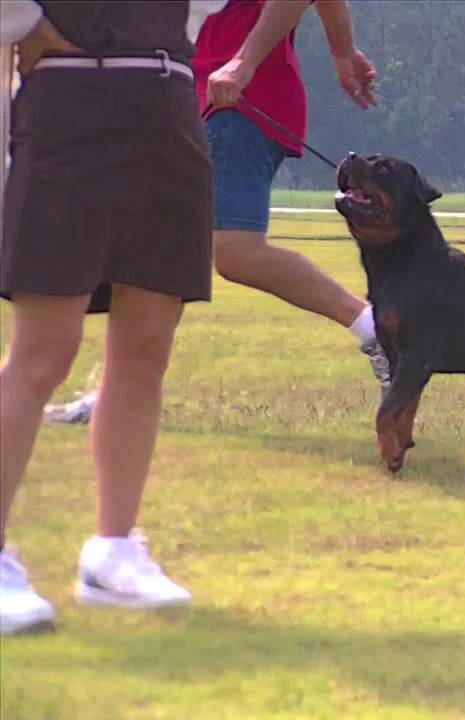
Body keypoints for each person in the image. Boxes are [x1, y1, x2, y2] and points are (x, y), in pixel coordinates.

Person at [0, 0, 231, 636]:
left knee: (146, 346)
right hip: (70, 100)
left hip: (167, 99)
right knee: (45, 349)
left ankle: (114, 551)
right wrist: (22, 22)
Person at [43, 0, 387, 425]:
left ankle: (375, 329)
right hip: (185, 98)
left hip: (236, 98)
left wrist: (242, 62)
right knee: (148, 258)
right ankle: (116, 394)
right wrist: (340, 50)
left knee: (235, 251)